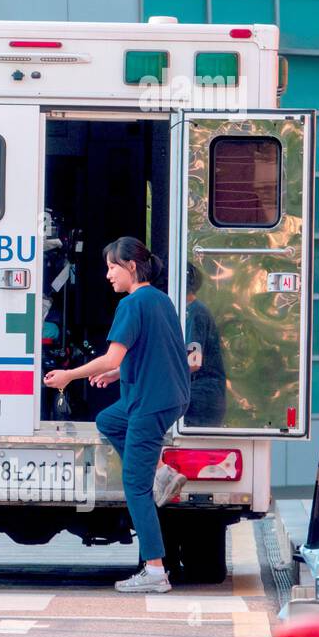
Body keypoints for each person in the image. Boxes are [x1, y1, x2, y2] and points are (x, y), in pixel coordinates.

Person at [42, 237, 190, 593]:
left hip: (149, 402)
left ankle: (155, 571)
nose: (108, 274)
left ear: (132, 267)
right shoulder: (160, 300)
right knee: (108, 420)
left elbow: (111, 356)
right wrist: (116, 374)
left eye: (113, 267)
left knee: (135, 489)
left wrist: (68, 376)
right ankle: (159, 470)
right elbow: (151, 353)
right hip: (169, 395)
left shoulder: (131, 304)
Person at [184, 263, 227, 427]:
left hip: (200, 398)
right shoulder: (191, 311)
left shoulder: (195, 313)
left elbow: (192, 362)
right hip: (203, 396)